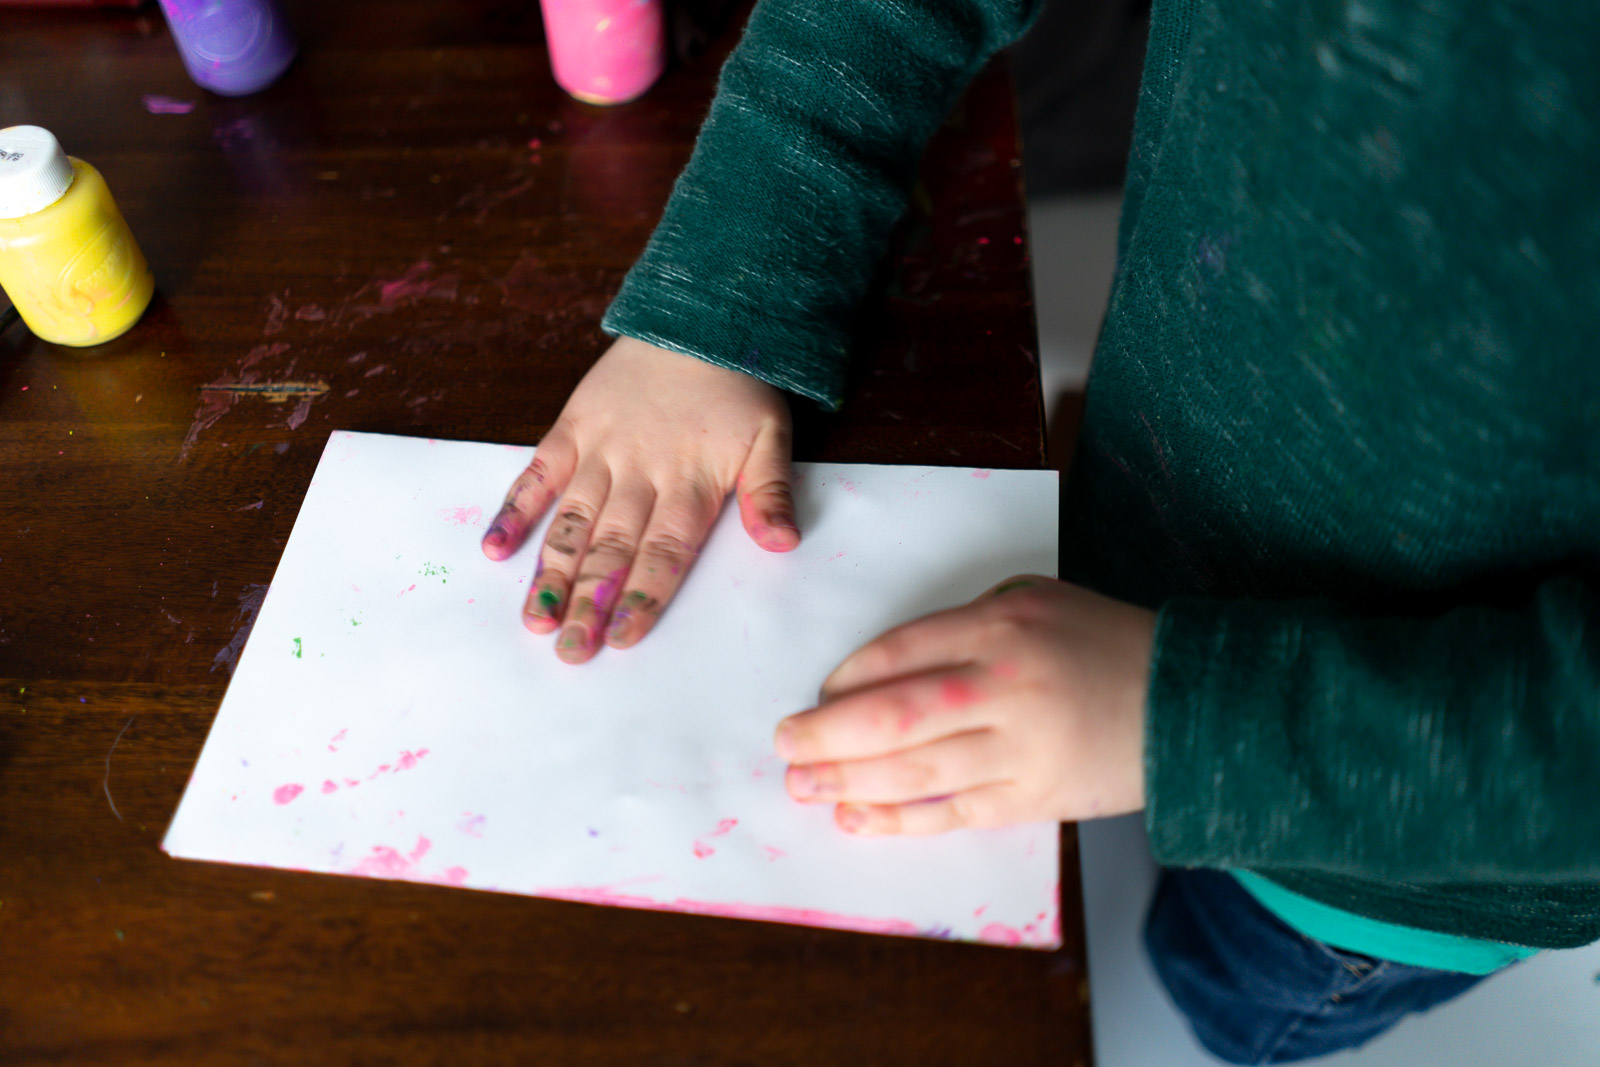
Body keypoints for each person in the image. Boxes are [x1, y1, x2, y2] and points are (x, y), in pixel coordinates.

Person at [483, 1, 1600, 1061]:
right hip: (1153, 525)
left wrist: (1183, 728)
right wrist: (720, 299)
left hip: (1392, 849)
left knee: (1215, 996)